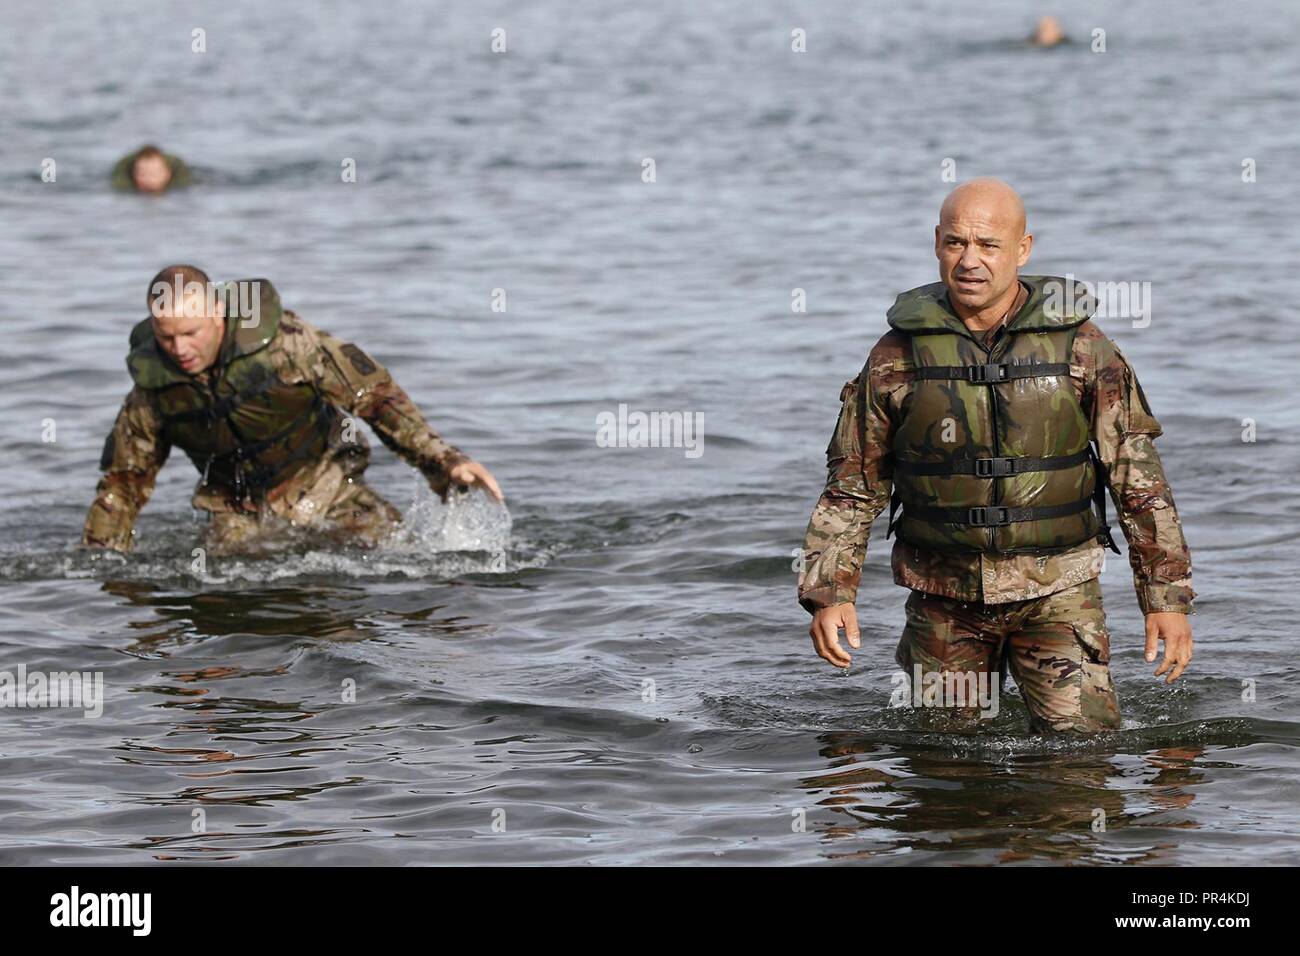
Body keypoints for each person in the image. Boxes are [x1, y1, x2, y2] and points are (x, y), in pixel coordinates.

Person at [798, 178, 1195, 733]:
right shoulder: (896, 355)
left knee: (1080, 760)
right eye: (956, 242)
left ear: (1022, 249)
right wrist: (828, 593)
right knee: (943, 767)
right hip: (944, 597)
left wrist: (1166, 598)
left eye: (988, 245)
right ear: (936, 243)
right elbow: (854, 482)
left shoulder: (1083, 348)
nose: (969, 260)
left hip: (1058, 592)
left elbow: (1137, 478)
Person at [83, 264, 502, 555]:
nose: (179, 350)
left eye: (190, 333)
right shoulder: (153, 391)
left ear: (217, 314)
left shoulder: (289, 345)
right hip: (237, 509)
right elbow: (124, 483)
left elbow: (377, 399)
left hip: (328, 483)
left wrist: (445, 462)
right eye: (166, 337)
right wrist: (100, 565)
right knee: (227, 598)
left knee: (404, 562)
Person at [110, 144, 192, 193]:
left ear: (168, 174)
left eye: (155, 174)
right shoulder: (123, 192)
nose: (149, 180)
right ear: (133, 175)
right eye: (143, 174)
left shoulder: (182, 191)